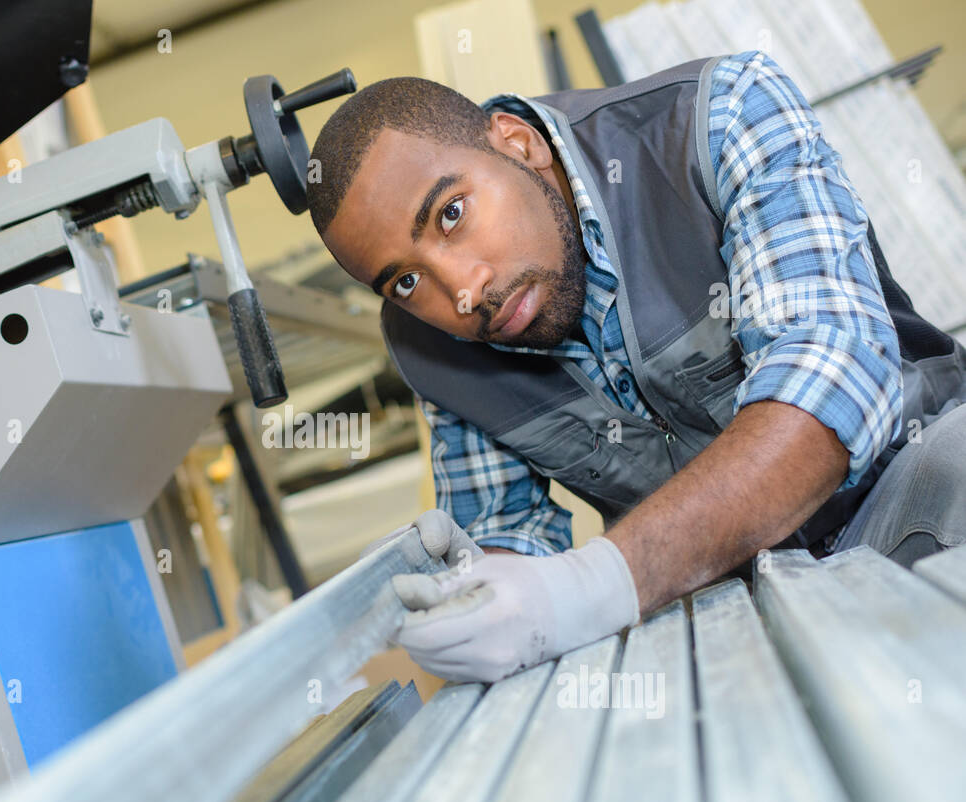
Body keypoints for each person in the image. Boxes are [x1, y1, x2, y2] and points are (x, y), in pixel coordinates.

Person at [307, 51, 966, 683]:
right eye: (403, 281)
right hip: (727, 597)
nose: (460, 291)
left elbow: (826, 384)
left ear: (514, 140)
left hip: (912, 497)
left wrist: (593, 585)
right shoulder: (429, 345)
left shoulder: (720, 117)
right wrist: (467, 591)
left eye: (451, 215)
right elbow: (509, 533)